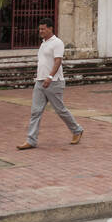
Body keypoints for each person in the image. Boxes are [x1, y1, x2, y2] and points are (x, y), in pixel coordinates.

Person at [17, 19, 84, 149]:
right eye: (40, 29)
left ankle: (77, 130)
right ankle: (31, 140)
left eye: (43, 29)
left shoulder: (57, 43)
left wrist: (50, 76)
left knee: (60, 110)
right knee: (35, 111)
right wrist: (40, 77)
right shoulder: (43, 43)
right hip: (40, 82)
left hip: (54, 82)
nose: (40, 31)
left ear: (50, 28)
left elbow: (58, 61)